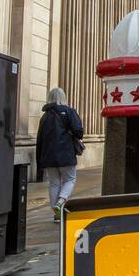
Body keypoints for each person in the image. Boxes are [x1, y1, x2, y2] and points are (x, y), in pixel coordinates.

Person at [36, 87, 84, 221]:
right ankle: (60, 202)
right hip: (66, 154)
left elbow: (39, 140)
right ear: (63, 97)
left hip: (48, 156)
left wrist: (39, 160)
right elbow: (79, 131)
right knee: (69, 179)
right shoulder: (69, 112)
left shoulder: (44, 117)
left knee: (54, 183)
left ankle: (56, 214)